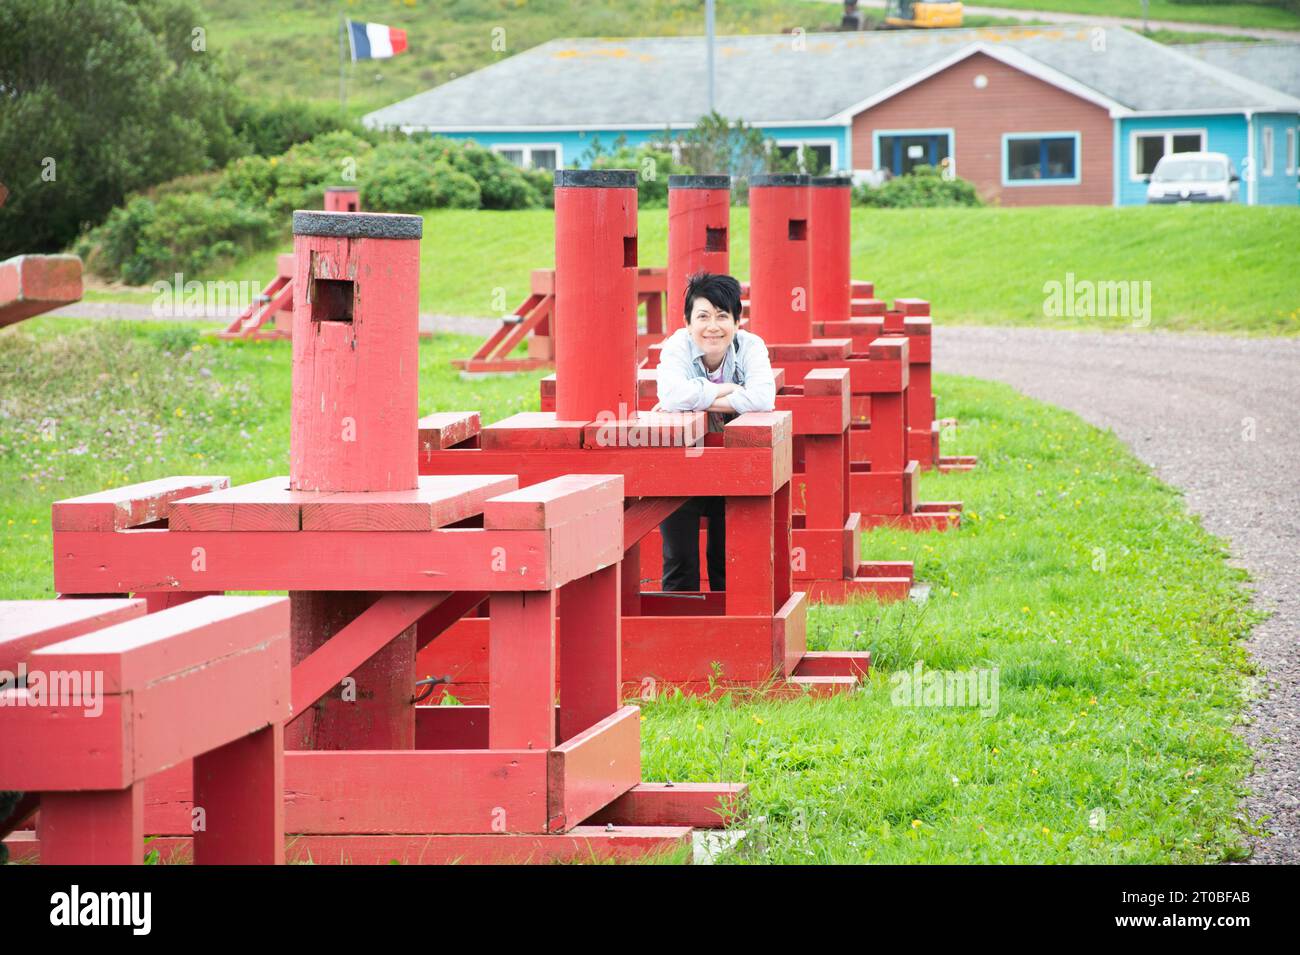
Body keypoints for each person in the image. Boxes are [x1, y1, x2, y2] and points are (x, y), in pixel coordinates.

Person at [653, 271, 776, 592]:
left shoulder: (751, 345)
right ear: (687, 321)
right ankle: (678, 633)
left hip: (735, 465)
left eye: (722, 316)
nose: (712, 326)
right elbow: (671, 396)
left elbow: (763, 398)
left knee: (728, 558)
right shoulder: (676, 346)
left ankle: (734, 634)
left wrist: (699, 399)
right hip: (679, 465)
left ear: (737, 321)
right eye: (703, 316)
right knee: (679, 560)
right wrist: (734, 391)